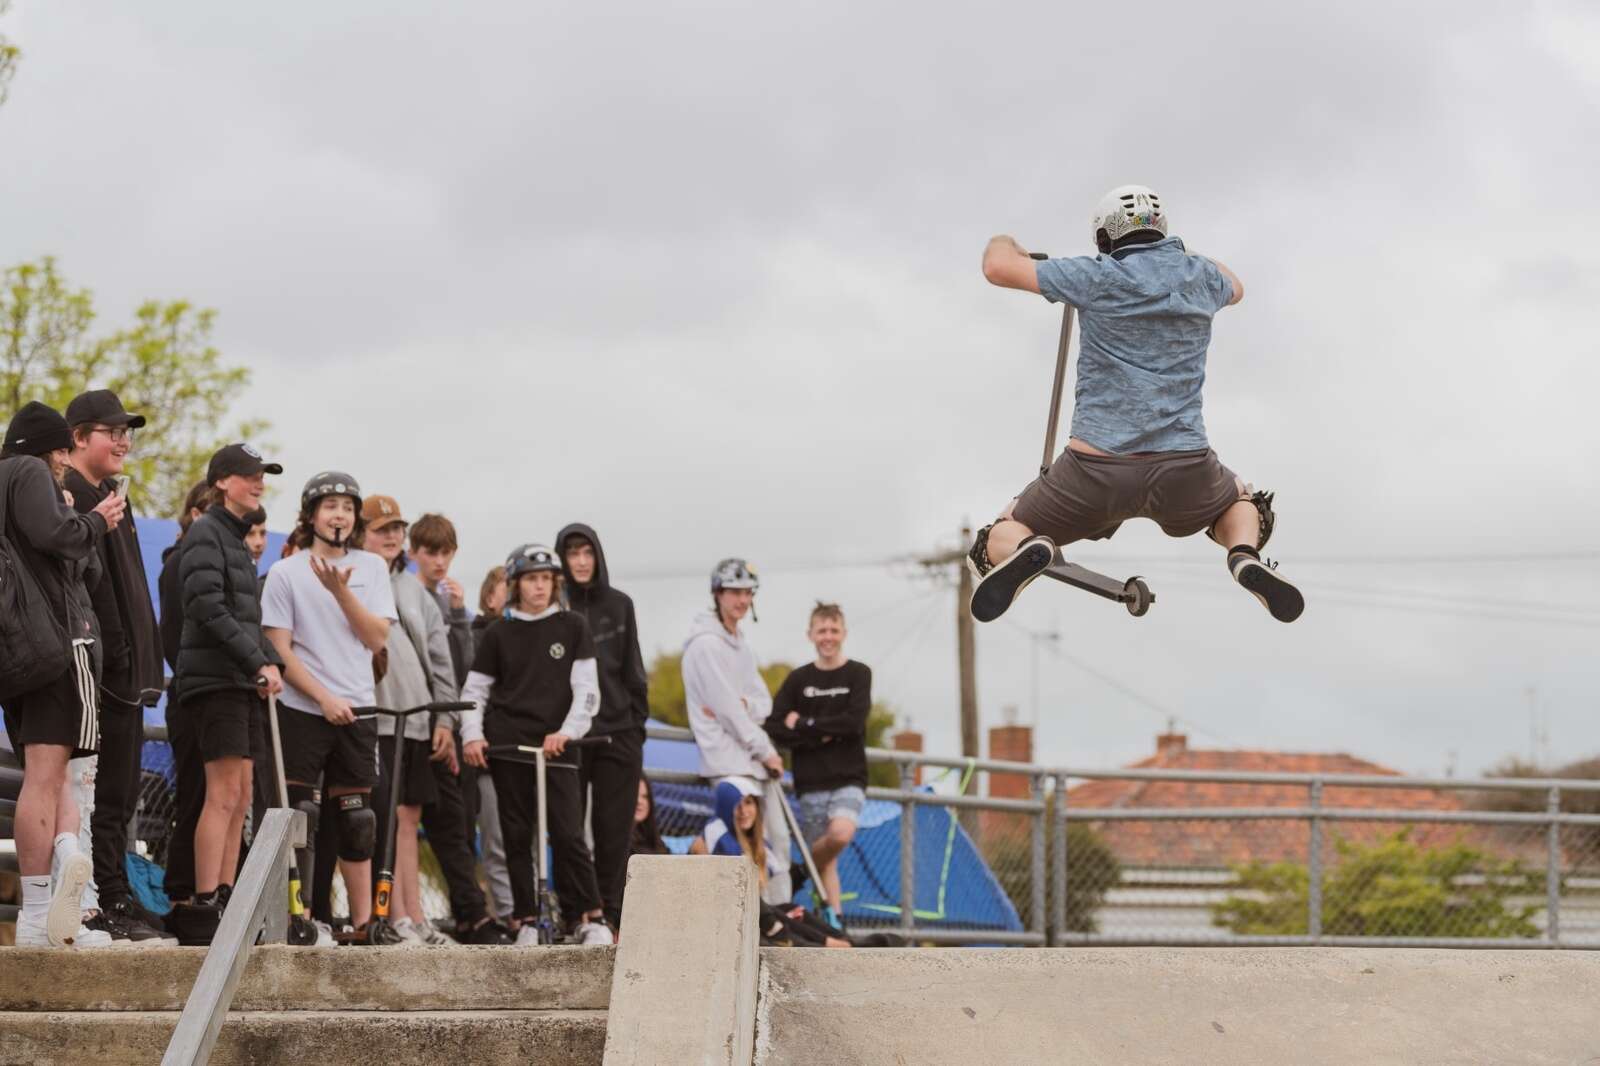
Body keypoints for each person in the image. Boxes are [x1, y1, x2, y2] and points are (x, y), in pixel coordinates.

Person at [967, 185, 1304, 625]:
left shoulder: (1096, 275)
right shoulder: (1202, 277)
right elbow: (1236, 286)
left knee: (998, 535)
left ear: (1104, 238)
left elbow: (996, 266)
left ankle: (1029, 547)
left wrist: (1008, 243)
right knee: (1245, 501)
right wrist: (1180, 260)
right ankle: (1242, 554)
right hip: (1187, 468)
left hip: (1094, 471)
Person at [0, 400, 124, 948]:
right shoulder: (28, 473)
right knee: (50, 776)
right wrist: (93, 521)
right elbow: (67, 547)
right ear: (51, 449)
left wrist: (71, 517)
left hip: (21, 651)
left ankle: (57, 910)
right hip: (56, 645)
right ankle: (41, 908)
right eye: (62, 454)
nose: (64, 466)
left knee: (53, 773)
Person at [261, 470, 395, 942]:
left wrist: (341, 592)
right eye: (330, 506)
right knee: (301, 815)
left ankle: (364, 924)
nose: (339, 515)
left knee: (358, 819)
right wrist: (323, 697)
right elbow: (279, 648)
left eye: (347, 507)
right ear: (311, 515)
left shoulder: (372, 568)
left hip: (358, 706)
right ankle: (297, 917)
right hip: (303, 707)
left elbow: (377, 638)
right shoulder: (286, 572)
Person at [460, 544, 612, 946]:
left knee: (568, 834)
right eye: (531, 579)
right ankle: (526, 919)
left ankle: (591, 915)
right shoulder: (498, 633)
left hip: (557, 748)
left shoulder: (573, 626)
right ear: (516, 584)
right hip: (510, 748)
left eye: (546, 579)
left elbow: (587, 691)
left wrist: (568, 732)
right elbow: (475, 691)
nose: (540, 587)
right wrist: (472, 734)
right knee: (515, 835)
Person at [60, 389, 171, 946]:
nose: (123, 440)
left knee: (123, 795)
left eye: (127, 431)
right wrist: (119, 658)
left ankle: (116, 891)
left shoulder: (111, 496)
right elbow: (91, 592)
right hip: (101, 674)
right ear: (79, 437)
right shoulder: (72, 499)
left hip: (130, 675)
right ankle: (100, 900)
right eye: (112, 431)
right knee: (100, 796)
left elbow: (130, 591)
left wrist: (145, 661)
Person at [175, 444, 285, 943]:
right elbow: (206, 606)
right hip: (214, 681)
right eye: (249, 474)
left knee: (241, 794)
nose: (259, 482)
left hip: (238, 680)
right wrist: (256, 661)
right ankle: (205, 903)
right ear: (222, 481)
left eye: (263, 475)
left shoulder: (237, 539)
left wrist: (272, 661)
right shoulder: (206, 532)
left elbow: (246, 619)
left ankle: (226, 896)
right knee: (221, 795)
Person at [402, 512, 513, 944]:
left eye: (446, 553)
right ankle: (460, 912)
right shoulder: (407, 595)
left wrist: (458, 615)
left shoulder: (448, 604)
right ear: (414, 552)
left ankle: (469, 914)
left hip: (448, 725)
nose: (440, 561)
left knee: (459, 827)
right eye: (432, 552)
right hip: (417, 724)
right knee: (428, 824)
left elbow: (464, 667)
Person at [682, 558, 792, 905]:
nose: (742, 600)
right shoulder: (705, 645)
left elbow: (762, 704)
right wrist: (766, 750)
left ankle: (779, 916)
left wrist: (744, 705)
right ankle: (753, 920)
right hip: (729, 764)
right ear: (718, 594)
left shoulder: (742, 646)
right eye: (734, 592)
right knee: (739, 852)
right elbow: (730, 712)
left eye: (747, 593)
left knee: (776, 843)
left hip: (752, 763)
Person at [556, 522, 649, 931]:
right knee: (567, 830)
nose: (580, 561)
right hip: (570, 737)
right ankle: (573, 913)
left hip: (619, 733)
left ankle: (611, 916)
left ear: (597, 556)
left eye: (587, 553)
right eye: (572, 553)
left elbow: (633, 669)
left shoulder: (620, 604)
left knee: (614, 832)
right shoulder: (555, 608)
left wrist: (636, 728)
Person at [765, 602, 870, 922]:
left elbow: (853, 723)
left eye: (833, 630)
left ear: (844, 633)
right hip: (810, 781)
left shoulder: (858, 673)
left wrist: (804, 724)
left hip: (849, 776)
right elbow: (775, 726)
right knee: (827, 863)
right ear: (810, 634)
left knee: (840, 834)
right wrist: (818, 736)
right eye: (822, 630)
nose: (828, 637)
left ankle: (800, 870)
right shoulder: (799, 679)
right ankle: (834, 922)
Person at [688, 780, 848, 949]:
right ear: (726, 807)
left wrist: (801, 873)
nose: (744, 811)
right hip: (720, 922)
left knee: (791, 909)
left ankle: (842, 940)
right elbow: (737, 898)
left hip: (753, 916)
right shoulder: (714, 835)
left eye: (748, 803)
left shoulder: (757, 844)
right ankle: (826, 944)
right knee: (770, 919)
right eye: (737, 805)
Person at [158, 481, 217, 911]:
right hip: (193, 694)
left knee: (218, 796)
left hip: (214, 694)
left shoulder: (212, 561)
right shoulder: (179, 563)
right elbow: (175, 639)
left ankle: (209, 891)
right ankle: (183, 894)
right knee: (196, 794)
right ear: (195, 514)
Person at [468, 563, 514, 924]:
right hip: (489, 754)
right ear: (489, 597)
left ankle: (532, 910)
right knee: (496, 839)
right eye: (507, 591)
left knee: (528, 840)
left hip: (522, 754)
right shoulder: (476, 637)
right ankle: (508, 913)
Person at [629, 777, 669, 857]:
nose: (639, 801)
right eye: (634, 795)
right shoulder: (618, 841)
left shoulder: (653, 837)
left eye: (645, 796)